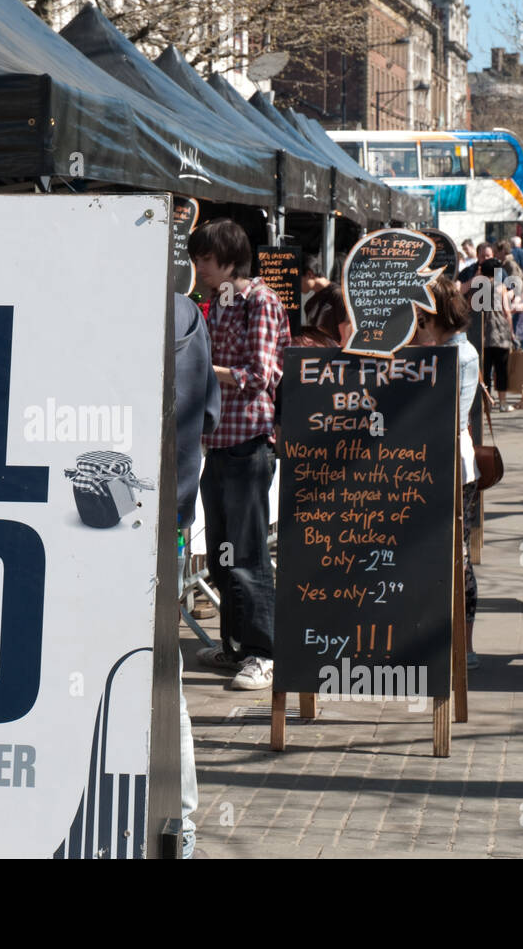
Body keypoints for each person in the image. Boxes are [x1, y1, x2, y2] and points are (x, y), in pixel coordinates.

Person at [189, 219, 290, 691]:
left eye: (205, 260)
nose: (199, 268)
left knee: (248, 554)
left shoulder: (261, 302)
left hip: (249, 443)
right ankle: (234, 646)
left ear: (229, 260)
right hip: (220, 441)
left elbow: (262, 374)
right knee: (222, 556)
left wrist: (203, 371)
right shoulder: (219, 304)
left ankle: (263, 652)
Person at [171, 292, 220, 859]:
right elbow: (207, 413)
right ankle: (179, 825)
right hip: (169, 519)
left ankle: (178, 824)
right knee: (162, 670)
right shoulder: (185, 313)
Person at [413, 277, 481, 668]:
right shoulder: (437, 350)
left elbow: (449, 416)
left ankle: (464, 645)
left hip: (451, 464)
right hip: (426, 463)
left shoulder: (459, 354)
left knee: (458, 556)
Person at [475, 256, 515, 410]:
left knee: (485, 370)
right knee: (501, 369)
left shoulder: (478, 288)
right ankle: (503, 403)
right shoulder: (501, 287)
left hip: (483, 334)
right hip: (500, 332)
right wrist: (511, 332)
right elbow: (507, 311)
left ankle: (486, 402)